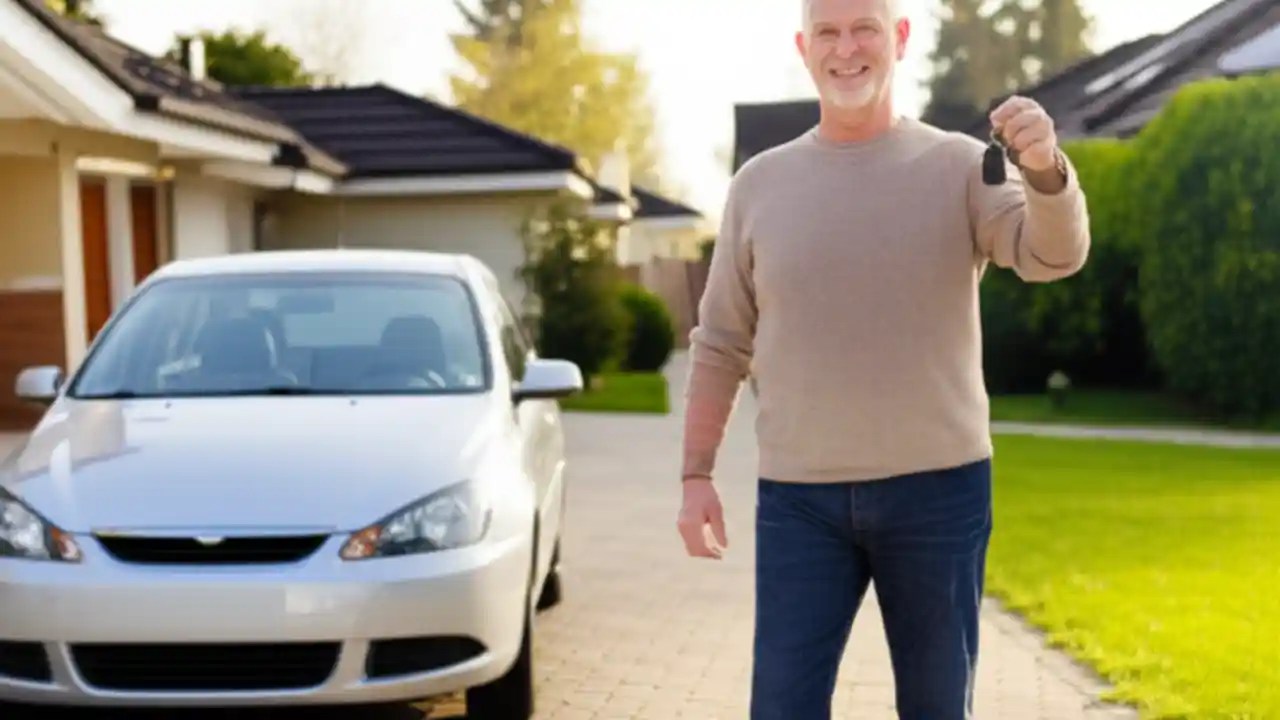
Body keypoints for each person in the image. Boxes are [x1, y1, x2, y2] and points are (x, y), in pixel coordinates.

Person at [675, 0, 1091, 718]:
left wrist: (1047, 170)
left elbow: (1052, 255)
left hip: (940, 494)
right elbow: (720, 341)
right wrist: (695, 473)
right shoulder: (758, 186)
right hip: (800, 502)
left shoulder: (962, 166)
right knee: (780, 707)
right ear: (803, 48)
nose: (846, 50)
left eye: (864, 27)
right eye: (827, 33)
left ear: (897, 37)